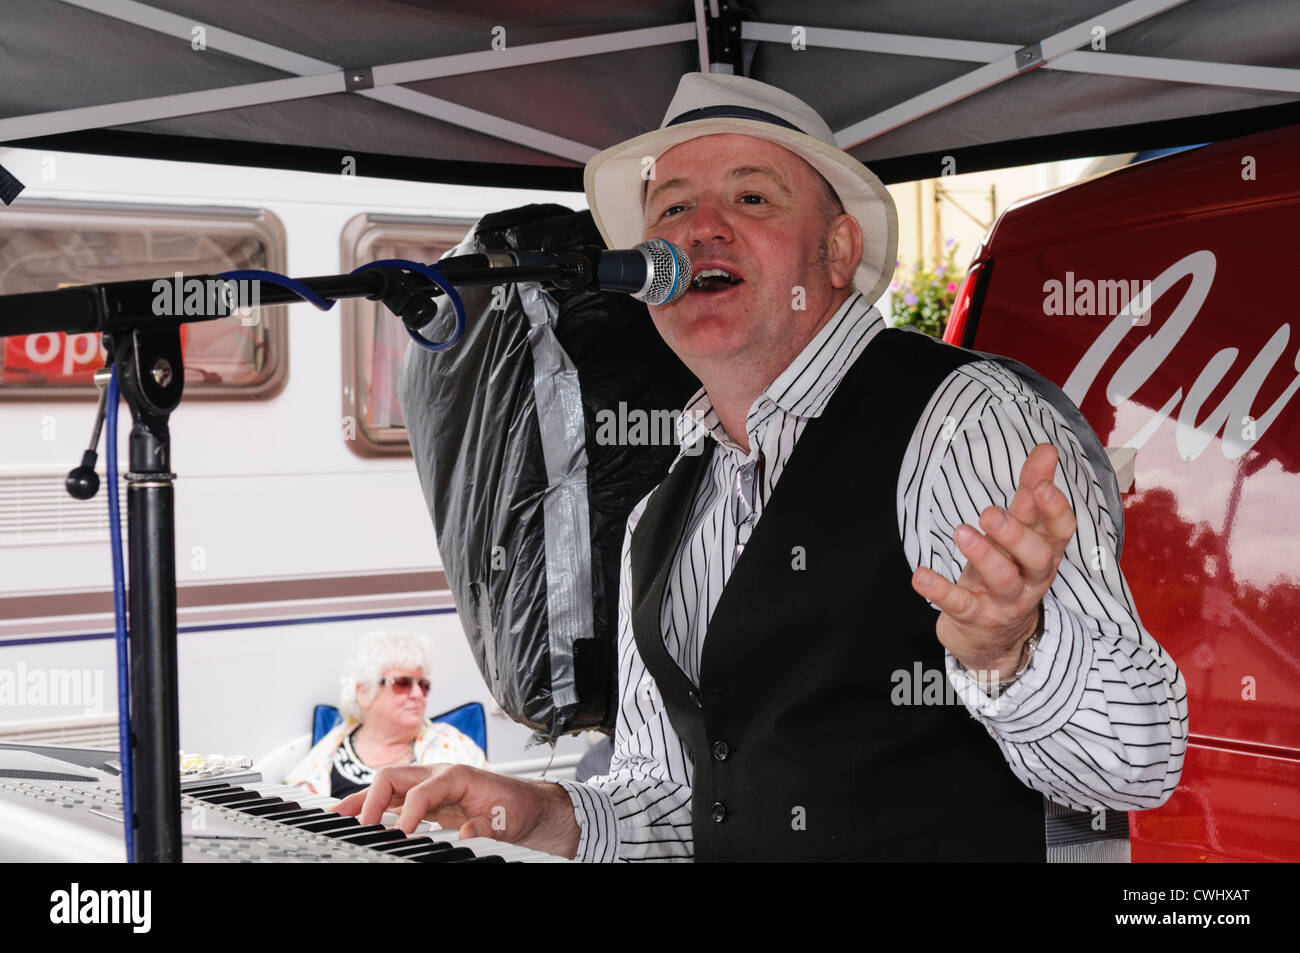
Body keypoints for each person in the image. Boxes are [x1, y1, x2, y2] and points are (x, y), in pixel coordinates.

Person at [338, 73, 1188, 861]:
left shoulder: (963, 420)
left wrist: (1012, 652)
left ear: (836, 251)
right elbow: (676, 804)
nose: (701, 227)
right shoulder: (662, 512)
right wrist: (537, 813)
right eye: (671, 208)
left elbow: (1137, 764)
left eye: (751, 196)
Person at [284, 630, 485, 798]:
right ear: (364, 693)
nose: (417, 694)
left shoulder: (453, 746)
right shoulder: (329, 751)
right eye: (402, 683)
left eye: (423, 685)